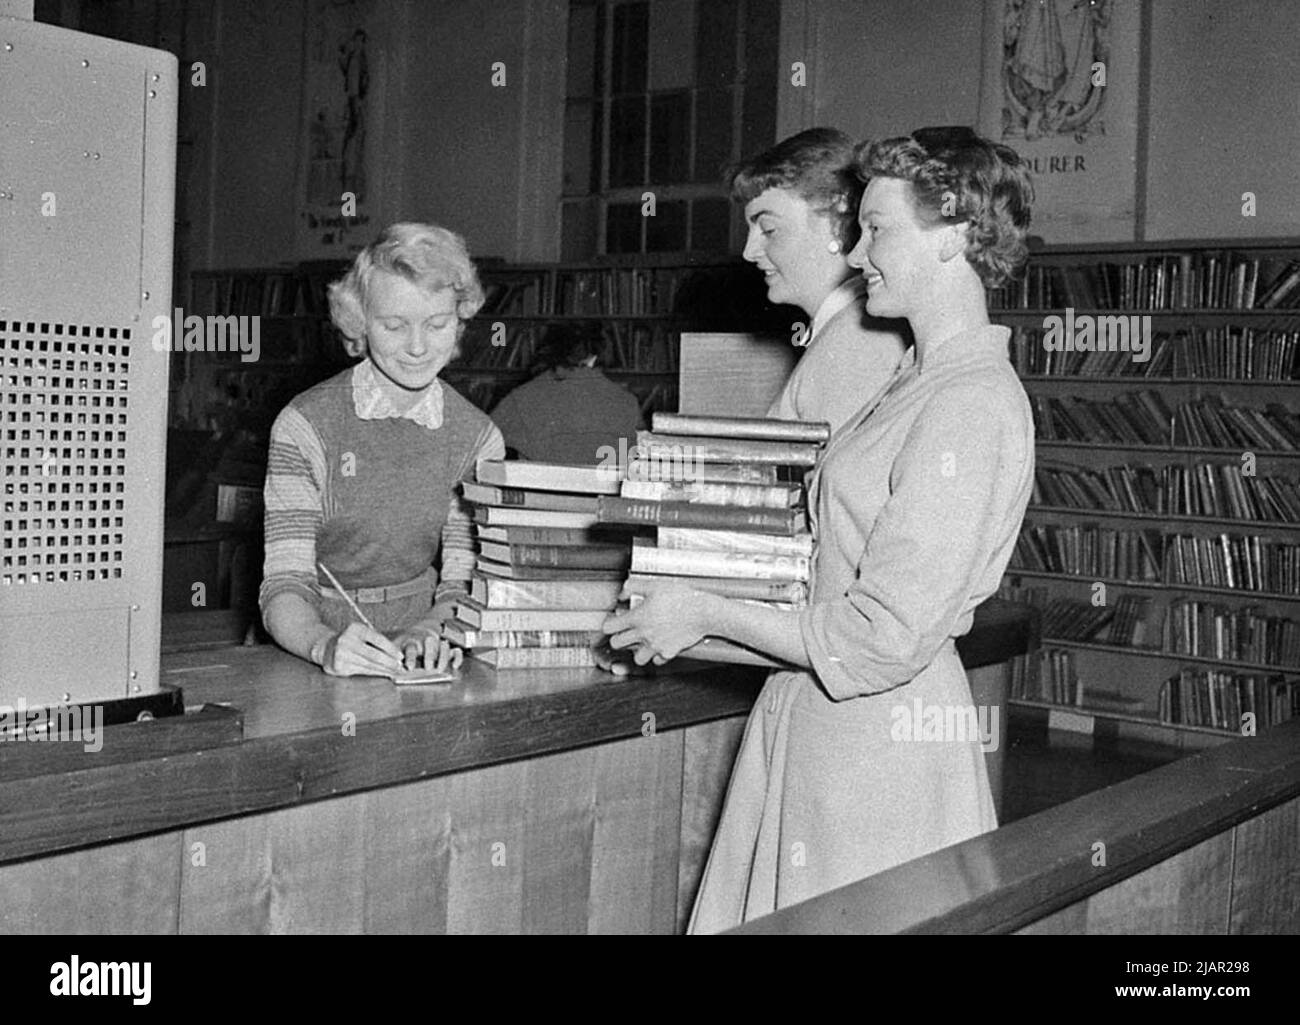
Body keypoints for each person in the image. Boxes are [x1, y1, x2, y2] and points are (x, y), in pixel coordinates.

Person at [604, 126, 1036, 930]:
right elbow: (825, 574)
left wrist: (703, 613)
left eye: (879, 230)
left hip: (877, 749)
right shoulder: (917, 378)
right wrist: (689, 619)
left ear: (956, 236)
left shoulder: (969, 400)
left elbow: (880, 636)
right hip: (830, 722)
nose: (858, 250)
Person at [259, 222, 504, 677]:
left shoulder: (477, 436)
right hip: (308, 641)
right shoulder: (304, 425)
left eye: (437, 324)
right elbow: (285, 583)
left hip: (429, 638)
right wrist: (324, 646)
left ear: (459, 320)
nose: (416, 347)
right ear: (360, 323)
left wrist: (431, 632)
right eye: (394, 326)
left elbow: (463, 581)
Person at [730, 127, 908, 432]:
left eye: (769, 229)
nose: (749, 252)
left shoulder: (858, 340)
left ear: (836, 217)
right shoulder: (843, 327)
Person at [488, 323, 642, 464]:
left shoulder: (521, 398)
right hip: (607, 491)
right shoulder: (628, 402)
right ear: (596, 355)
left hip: (540, 490)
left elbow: (482, 441)